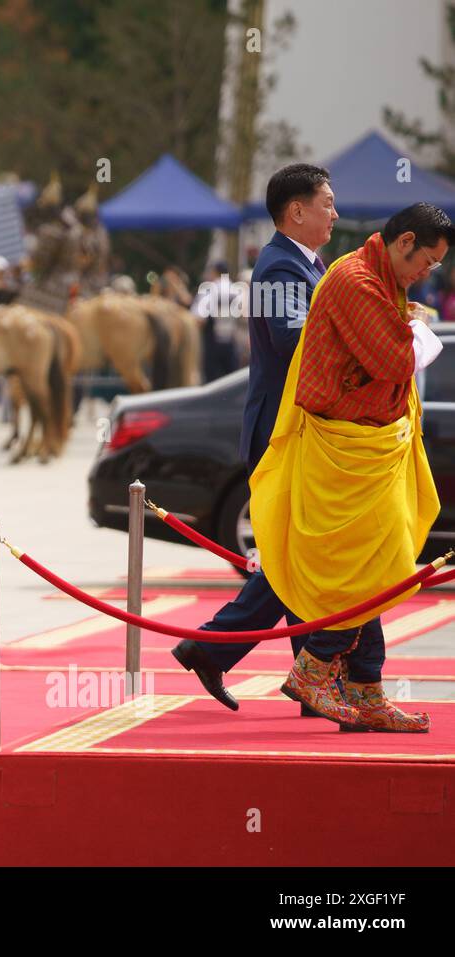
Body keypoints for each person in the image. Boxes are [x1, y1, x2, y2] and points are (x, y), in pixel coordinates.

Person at [255, 203, 448, 732]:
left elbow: (393, 348)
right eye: (427, 262)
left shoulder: (380, 278)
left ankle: (366, 690)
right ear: (404, 240)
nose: (427, 275)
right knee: (371, 573)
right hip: (344, 449)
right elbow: (392, 360)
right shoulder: (355, 281)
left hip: (370, 445)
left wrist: (411, 329)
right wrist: (418, 336)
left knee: (378, 571)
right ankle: (315, 668)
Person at [171, 163, 337, 710]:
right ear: (296, 211)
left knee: (295, 559)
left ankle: (222, 653)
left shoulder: (305, 264)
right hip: (281, 433)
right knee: (297, 558)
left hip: (297, 429)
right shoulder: (279, 269)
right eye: (326, 203)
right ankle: (234, 654)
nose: (334, 214)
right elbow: (295, 344)